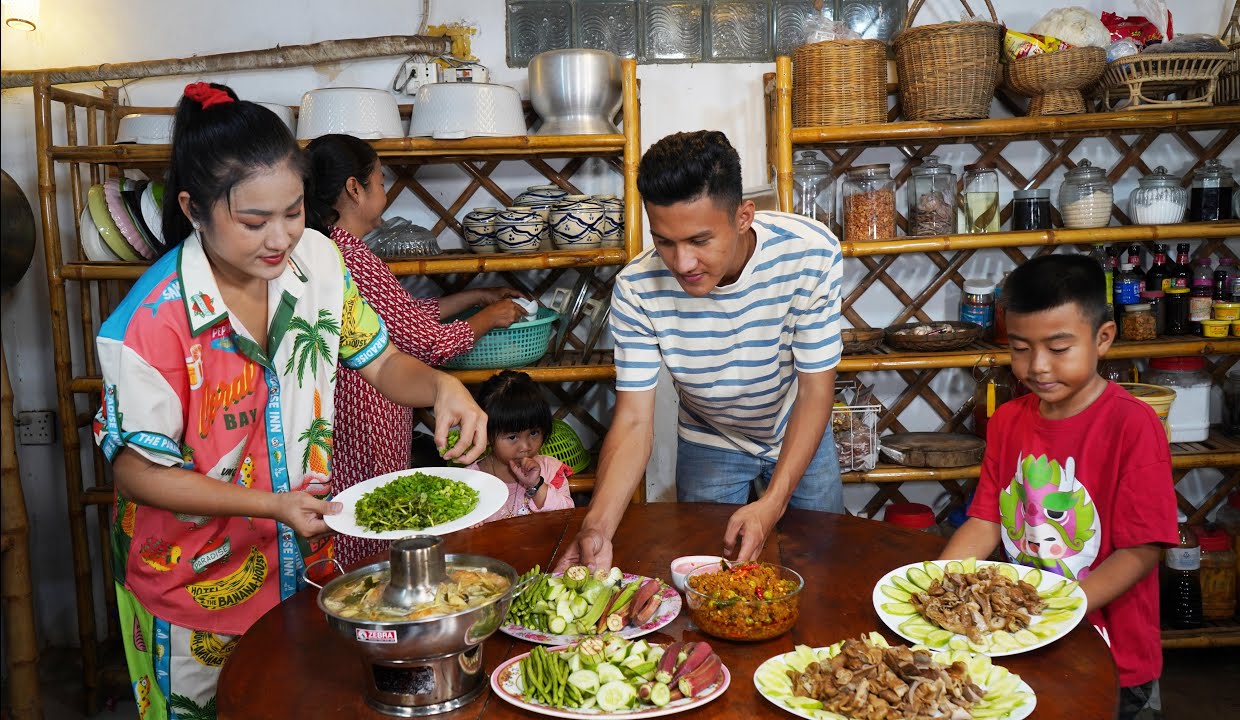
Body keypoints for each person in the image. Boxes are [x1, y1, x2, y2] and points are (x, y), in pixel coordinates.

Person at [93, 83, 487, 720]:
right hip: (192, 591)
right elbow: (137, 472)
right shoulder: (150, 323)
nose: (280, 239)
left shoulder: (321, 264)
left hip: (303, 570)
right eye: (254, 222)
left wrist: (443, 385)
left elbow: (382, 361)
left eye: (295, 211)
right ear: (194, 209)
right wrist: (271, 505)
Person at [555, 130, 845, 572]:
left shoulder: (810, 253)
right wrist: (596, 527)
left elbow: (815, 391)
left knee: (819, 565)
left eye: (699, 241)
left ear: (744, 216)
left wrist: (772, 503)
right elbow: (634, 421)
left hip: (797, 424)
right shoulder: (637, 288)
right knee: (705, 576)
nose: (682, 264)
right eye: (665, 242)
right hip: (709, 437)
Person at [939, 254, 1177, 720]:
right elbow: (987, 517)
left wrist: (1056, 611)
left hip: (1111, 653)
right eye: (1022, 348)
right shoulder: (1008, 420)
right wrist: (938, 585)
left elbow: (1143, 549)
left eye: (1058, 347)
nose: (1038, 366)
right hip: (1023, 642)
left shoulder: (1132, 425)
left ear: (1102, 338)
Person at [303, 133, 527, 565]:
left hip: (371, 404)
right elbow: (428, 345)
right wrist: (491, 317)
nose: (385, 191)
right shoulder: (347, 255)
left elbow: (402, 317)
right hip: (367, 411)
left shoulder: (341, 249)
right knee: (368, 522)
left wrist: (474, 297)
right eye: (380, 181)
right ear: (354, 188)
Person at [466, 370, 574, 523]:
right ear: (485, 434)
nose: (525, 446)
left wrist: (537, 485)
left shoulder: (551, 470)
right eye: (512, 437)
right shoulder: (468, 482)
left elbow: (566, 517)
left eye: (534, 433)